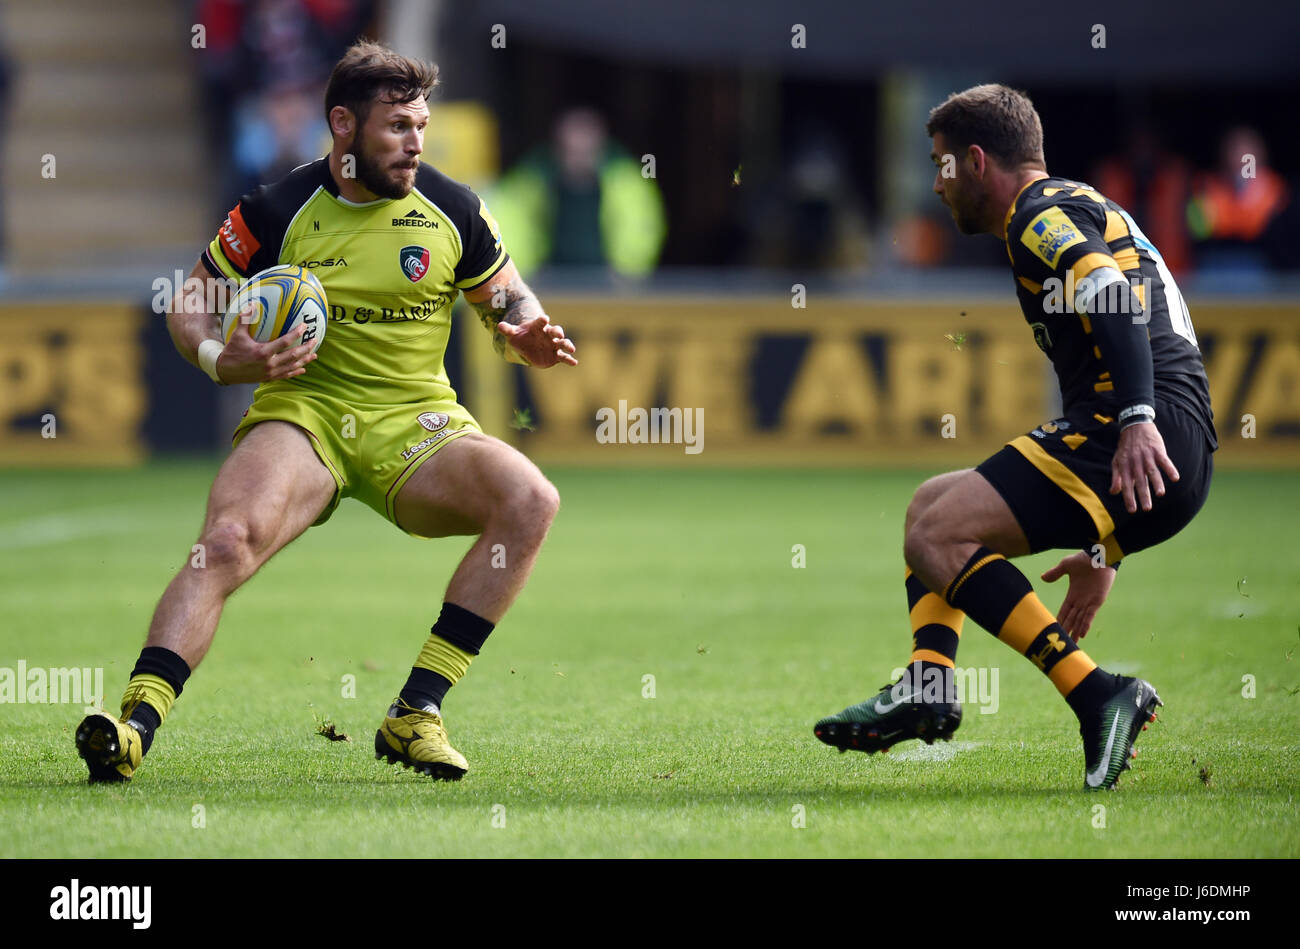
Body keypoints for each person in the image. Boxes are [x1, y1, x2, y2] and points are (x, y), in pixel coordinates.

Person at [75, 41, 577, 784]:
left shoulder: (453, 208)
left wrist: (526, 329)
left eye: (422, 126)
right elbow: (191, 303)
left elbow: (508, 295)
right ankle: (133, 726)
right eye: (397, 127)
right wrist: (222, 359)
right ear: (343, 125)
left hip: (418, 424)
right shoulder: (276, 209)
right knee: (225, 541)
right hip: (305, 416)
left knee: (531, 500)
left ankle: (416, 712)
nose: (414, 144)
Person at [814, 84, 1216, 791]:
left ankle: (1097, 693)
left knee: (936, 535)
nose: (936, 186)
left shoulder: (1038, 213)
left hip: (1142, 426)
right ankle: (929, 681)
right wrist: (1107, 540)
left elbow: (1114, 298)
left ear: (975, 162)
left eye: (939, 165)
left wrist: (1135, 419)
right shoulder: (1076, 201)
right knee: (930, 508)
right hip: (1167, 433)